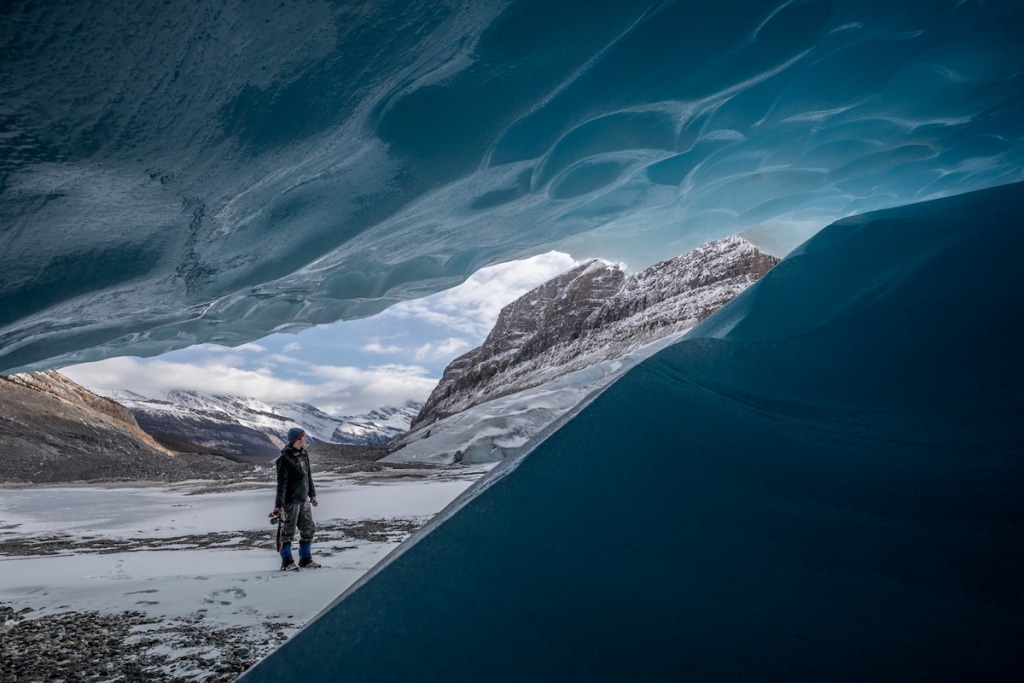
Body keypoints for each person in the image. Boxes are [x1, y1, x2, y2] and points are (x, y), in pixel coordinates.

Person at [273, 427, 321, 570]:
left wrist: (312, 494)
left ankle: (305, 560)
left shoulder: (304, 454)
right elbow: (282, 484)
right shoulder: (285, 459)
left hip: (303, 500)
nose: (305, 439)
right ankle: (287, 562)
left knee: (308, 529)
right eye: (303, 437)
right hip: (290, 501)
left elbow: (308, 476)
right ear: (297, 439)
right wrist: (279, 505)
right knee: (287, 532)